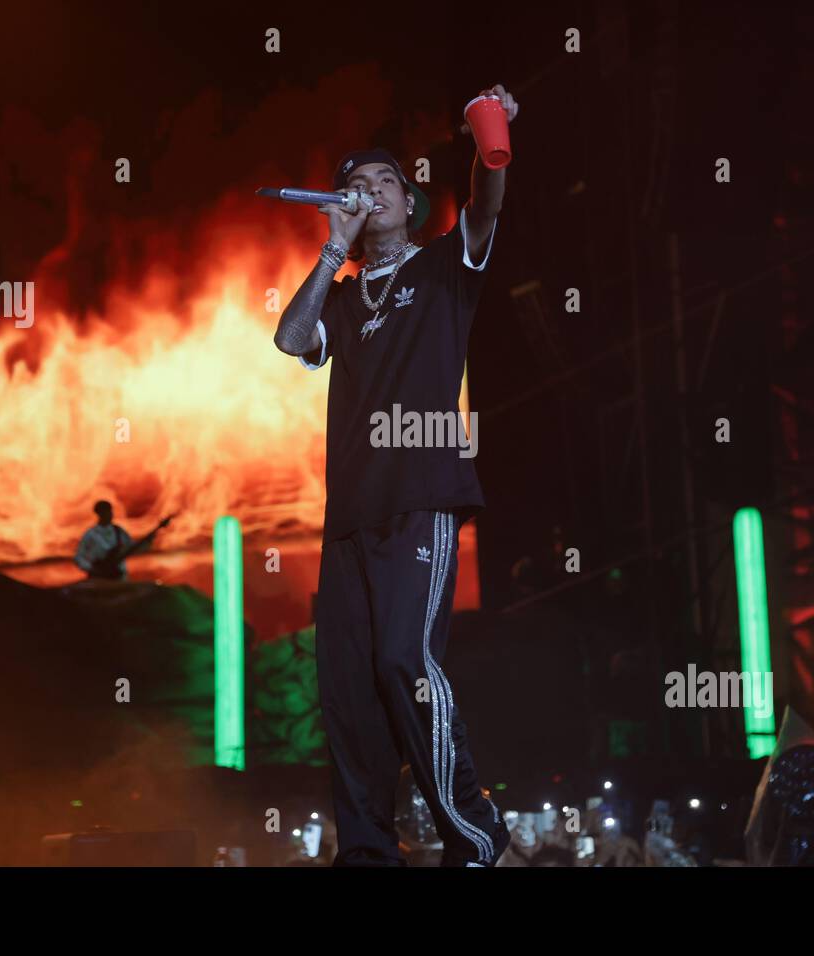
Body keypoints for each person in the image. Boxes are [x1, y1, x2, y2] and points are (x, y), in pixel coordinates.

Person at [273, 84, 518, 867]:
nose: (368, 192)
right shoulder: (343, 300)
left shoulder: (447, 265)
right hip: (348, 518)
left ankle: (474, 835)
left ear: (409, 203)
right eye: (355, 185)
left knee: (404, 664)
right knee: (347, 696)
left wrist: (491, 133)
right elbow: (290, 339)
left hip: (421, 501)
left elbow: (486, 199)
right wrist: (332, 248)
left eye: (383, 182)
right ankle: (369, 854)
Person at [74, 500, 155, 580]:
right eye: (105, 512)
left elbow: (132, 548)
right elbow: (79, 557)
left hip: (118, 577)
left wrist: (149, 540)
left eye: (109, 511)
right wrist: (92, 569)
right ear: (99, 514)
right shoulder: (91, 535)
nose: (109, 514)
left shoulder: (118, 532)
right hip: (98, 580)